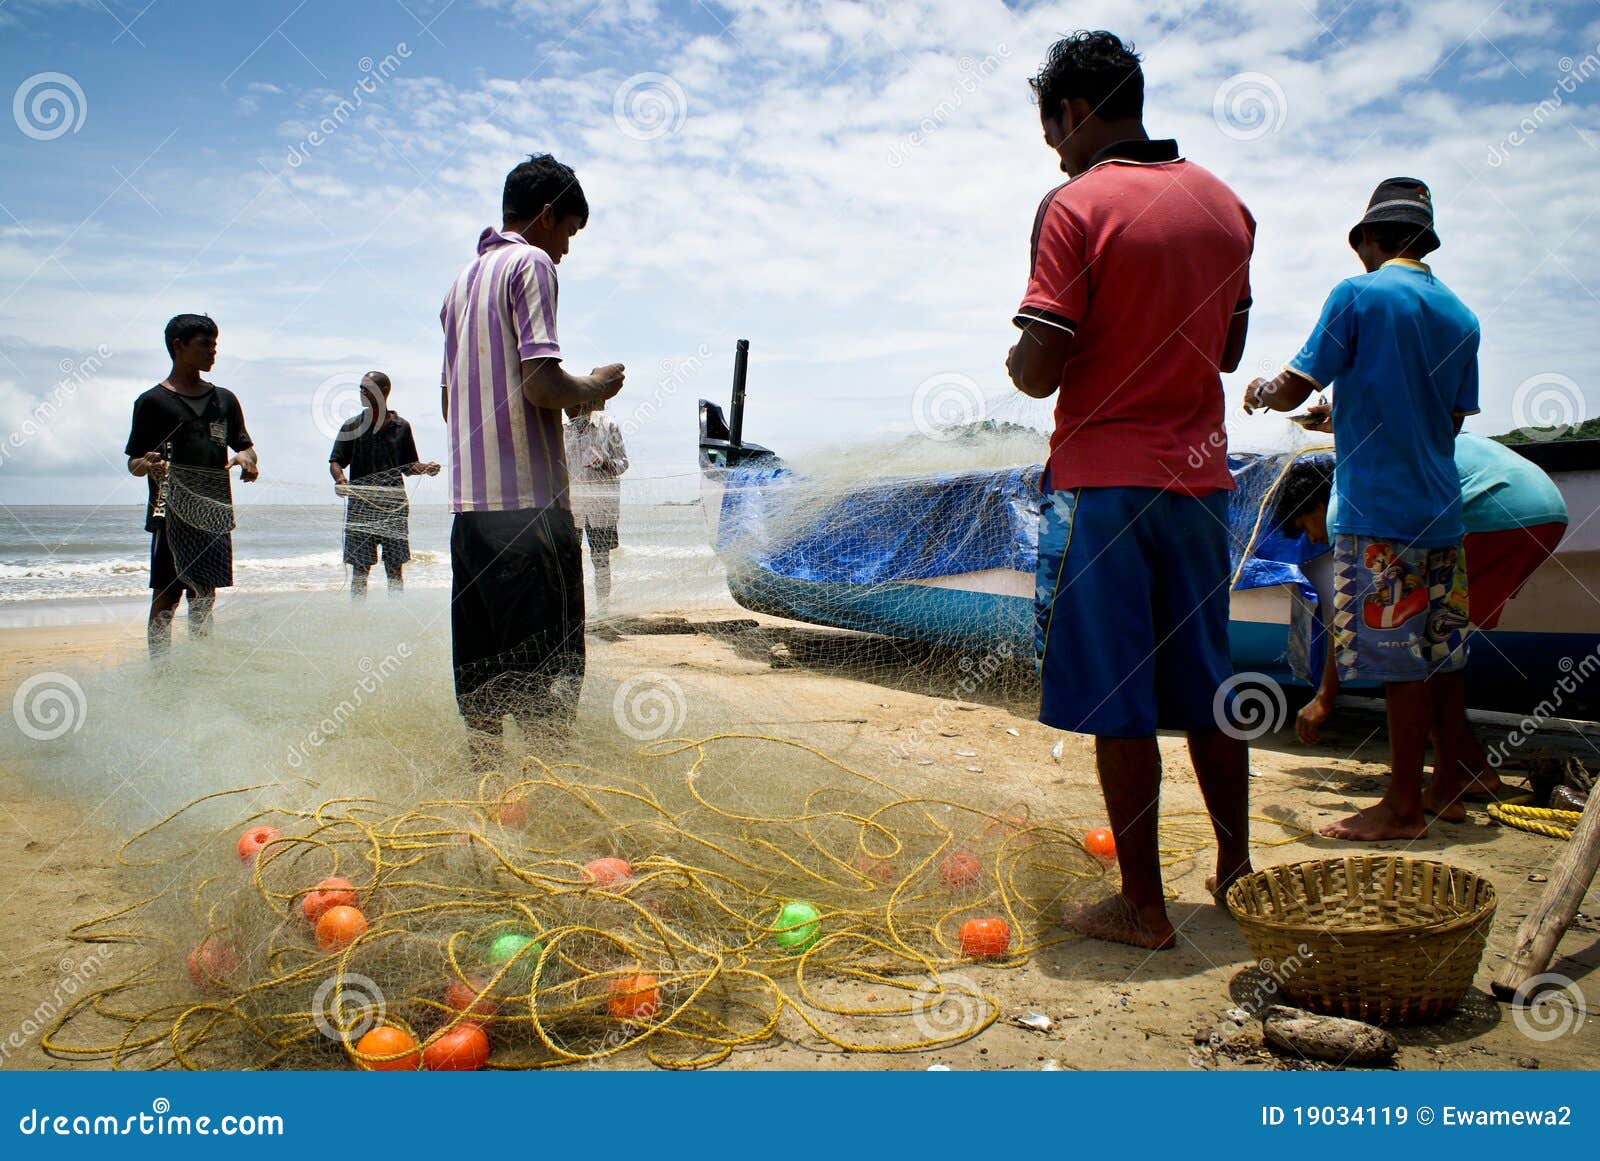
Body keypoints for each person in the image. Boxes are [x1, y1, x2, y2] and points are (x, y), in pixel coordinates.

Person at [1006, 31, 1256, 949]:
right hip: (1199, 486)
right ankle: (1236, 870)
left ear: (1072, 113)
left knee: (1120, 698)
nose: (1055, 152)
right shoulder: (1227, 205)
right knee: (1211, 688)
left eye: (1053, 133)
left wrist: (1019, 353)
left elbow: (1039, 369)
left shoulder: (1073, 204)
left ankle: (1143, 907)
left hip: (1105, 486)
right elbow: (1227, 352)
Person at [1245, 177, 1481, 840]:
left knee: (1397, 659)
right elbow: (1450, 423)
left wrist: (1262, 391)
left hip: (1379, 515)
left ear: (1371, 240)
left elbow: (1296, 381)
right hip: (1442, 511)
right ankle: (1448, 788)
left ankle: (1403, 807)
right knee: (1443, 655)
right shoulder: (1462, 316)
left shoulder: (1358, 295)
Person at [440, 153, 625, 761]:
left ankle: (491, 812)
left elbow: (451, 404)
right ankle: (549, 822)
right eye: (569, 231)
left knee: (484, 695)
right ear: (547, 216)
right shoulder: (533, 264)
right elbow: (541, 384)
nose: (567, 249)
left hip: (471, 520)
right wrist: (593, 389)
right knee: (548, 690)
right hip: (530, 519)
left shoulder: (460, 285)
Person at [1274, 433, 1567, 813]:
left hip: (1498, 515)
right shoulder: (1384, 452)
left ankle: (1451, 783)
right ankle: (1470, 772)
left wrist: (1325, 696)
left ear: (1316, 503)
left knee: (1419, 647)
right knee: (1436, 644)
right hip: (1542, 506)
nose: (1313, 539)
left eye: (1304, 527)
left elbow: (1343, 613)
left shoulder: (1341, 503)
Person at [125, 314, 258, 657]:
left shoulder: (224, 400)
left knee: (205, 594)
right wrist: (148, 465)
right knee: (167, 594)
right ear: (178, 346)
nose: (213, 352)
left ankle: (200, 663)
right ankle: (160, 669)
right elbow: (134, 463)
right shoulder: (152, 402)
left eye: (215, 345)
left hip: (213, 509)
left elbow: (244, 444)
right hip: (170, 511)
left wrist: (247, 459)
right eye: (205, 345)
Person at [328, 371, 441, 599]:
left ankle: (397, 612)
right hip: (361, 506)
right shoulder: (352, 426)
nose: (361, 392)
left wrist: (426, 468)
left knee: (394, 568)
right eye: (360, 388)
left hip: (394, 507)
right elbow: (336, 461)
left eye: (367, 388)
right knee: (360, 570)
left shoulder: (401, 427)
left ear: (383, 392)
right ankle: (357, 616)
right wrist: (340, 479)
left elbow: (408, 466)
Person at [563, 402, 629, 615]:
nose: (566, 409)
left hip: (602, 508)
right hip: (570, 508)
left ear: (583, 404)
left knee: (601, 560)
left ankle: (603, 611)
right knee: (569, 560)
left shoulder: (608, 426)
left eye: (570, 405)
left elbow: (623, 464)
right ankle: (574, 611)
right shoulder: (561, 429)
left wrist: (604, 462)